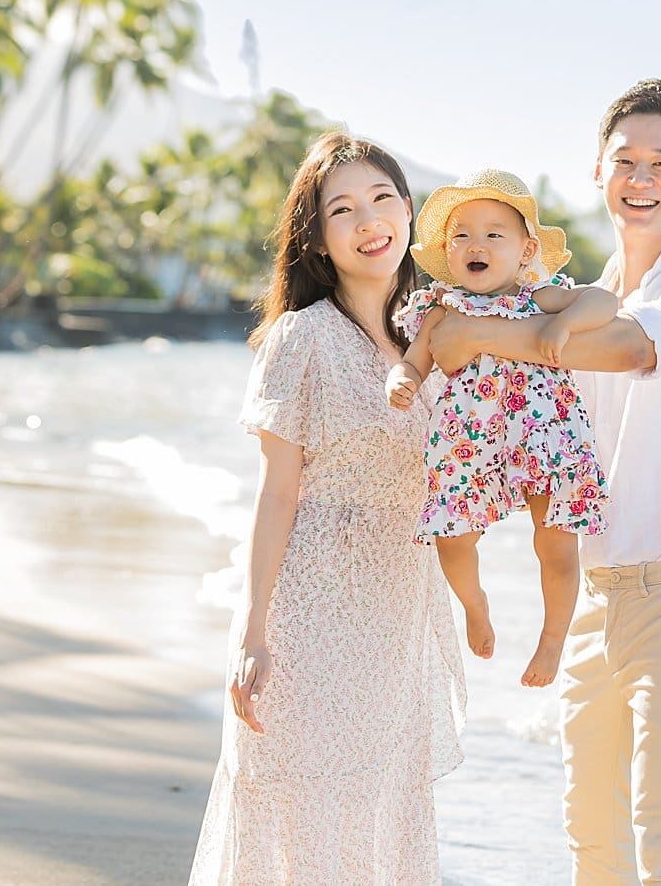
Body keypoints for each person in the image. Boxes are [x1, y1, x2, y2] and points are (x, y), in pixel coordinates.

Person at [427, 80, 661, 886]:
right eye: (627, 161)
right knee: (595, 848)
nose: (642, 178)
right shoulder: (560, 297)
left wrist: (477, 331)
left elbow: (627, 349)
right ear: (599, 171)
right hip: (599, 598)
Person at [186, 132, 466, 886]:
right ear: (318, 237)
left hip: (398, 612)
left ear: (408, 211)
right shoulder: (300, 336)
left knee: (380, 810)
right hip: (311, 614)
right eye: (342, 209)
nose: (369, 220)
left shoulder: (434, 334)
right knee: (302, 816)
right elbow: (276, 494)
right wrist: (252, 634)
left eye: (381, 199)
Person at [385, 169, 618, 687]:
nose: (477, 244)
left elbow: (607, 301)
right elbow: (413, 362)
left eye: (495, 234)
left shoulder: (540, 298)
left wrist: (564, 323)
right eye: (463, 234)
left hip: (545, 433)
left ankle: (553, 638)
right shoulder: (441, 308)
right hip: (469, 439)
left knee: (555, 542)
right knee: (452, 536)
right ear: (448, 250)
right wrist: (398, 381)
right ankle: (475, 603)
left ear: (526, 248)